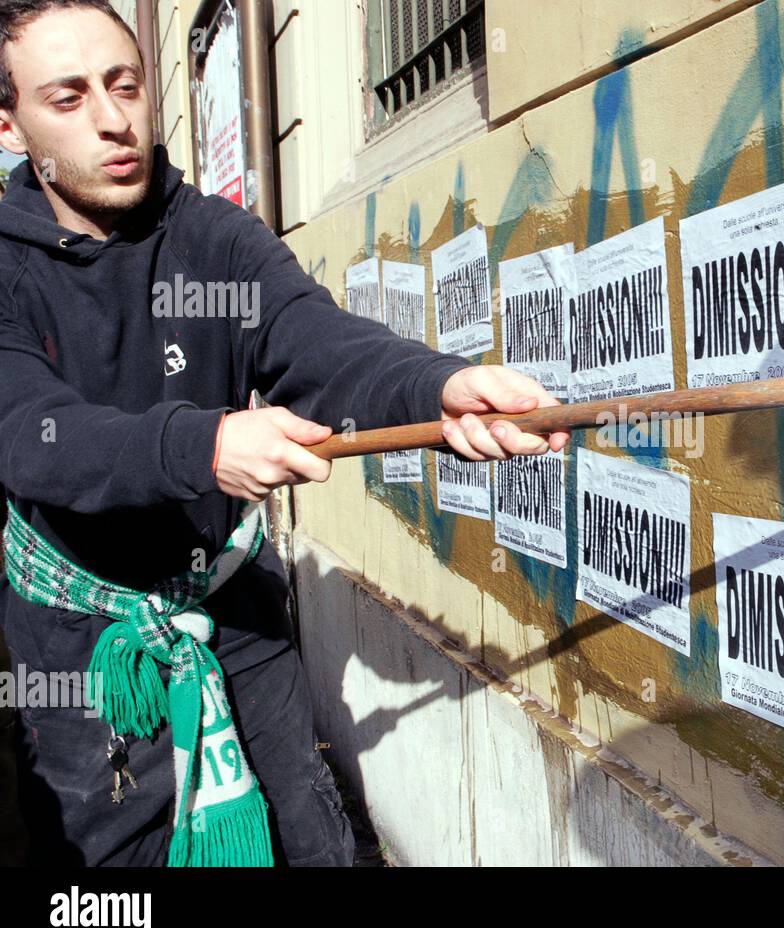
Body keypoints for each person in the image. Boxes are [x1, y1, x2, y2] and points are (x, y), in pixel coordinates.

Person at [0, 0, 568, 866]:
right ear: (10, 124)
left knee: (310, 840)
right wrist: (203, 445)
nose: (114, 120)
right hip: (78, 653)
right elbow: (30, 432)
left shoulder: (215, 238)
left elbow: (320, 342)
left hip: (236, 615)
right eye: (68, 99)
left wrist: (438, 388)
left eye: (125, 84)